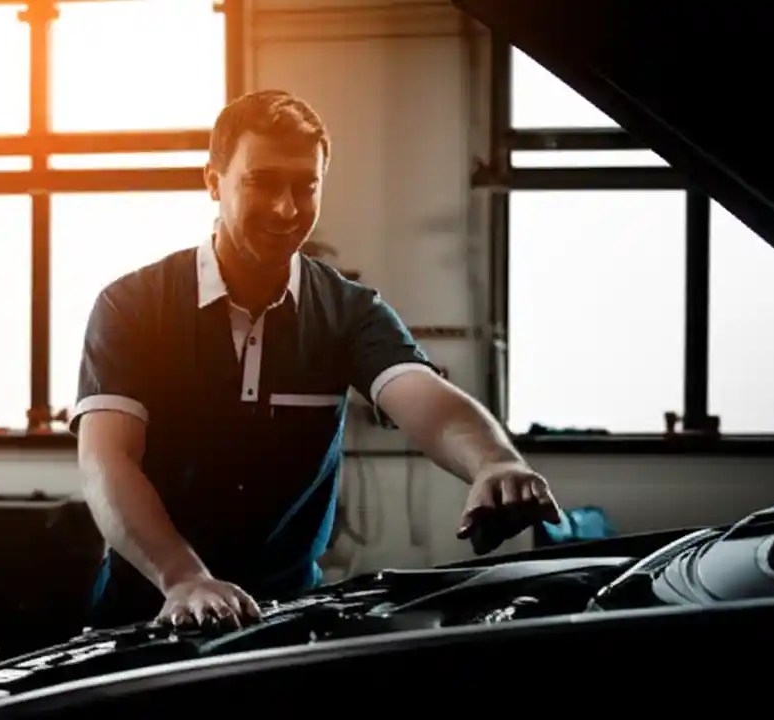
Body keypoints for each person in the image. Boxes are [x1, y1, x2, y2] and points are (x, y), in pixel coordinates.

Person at [71, 89, 562, 629]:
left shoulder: (348, 312)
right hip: (141, 616)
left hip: (283, 620)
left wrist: (493, 460)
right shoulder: (133, 305)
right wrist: (181, 576)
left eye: (305, 186)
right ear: (213, 181)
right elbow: (105, 462)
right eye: (261, 182)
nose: (286, 208)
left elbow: (425, 399)